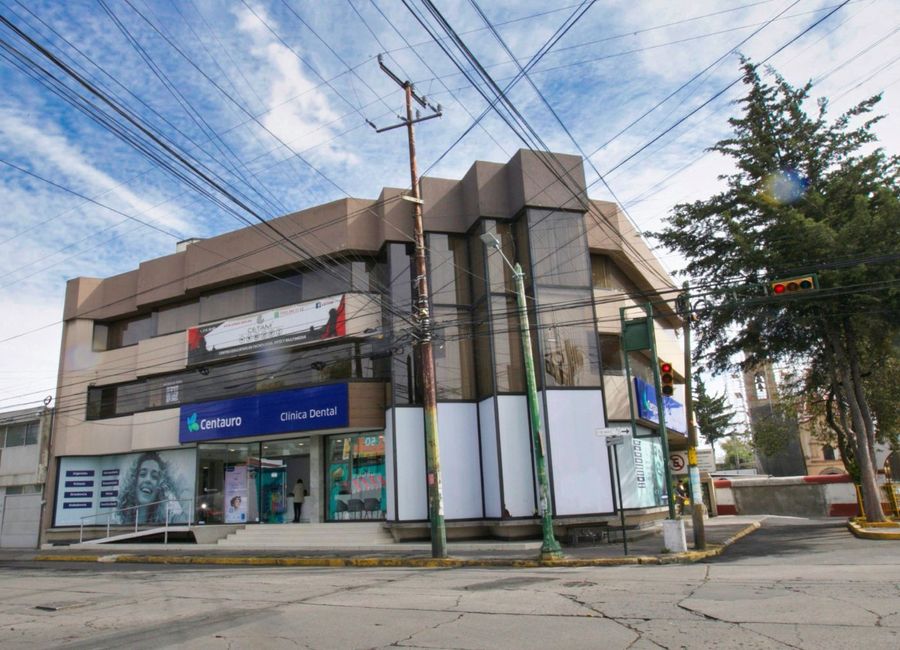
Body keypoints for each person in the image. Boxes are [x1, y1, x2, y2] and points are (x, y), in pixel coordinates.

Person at [117, 451, 182, 524]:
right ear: (134, 481)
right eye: (143, 474)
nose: (148, 480)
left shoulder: (169, 521)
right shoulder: (118, 521)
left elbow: (190, 514)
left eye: (154, 476)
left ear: (160, 486)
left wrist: (170, 477)